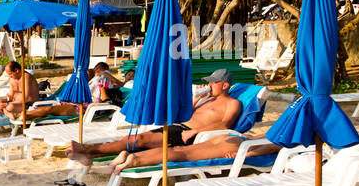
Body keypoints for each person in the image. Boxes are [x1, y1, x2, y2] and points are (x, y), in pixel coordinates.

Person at [68, 69, 242, 166]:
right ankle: (89, 152)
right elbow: (186, 112)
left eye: (214, 82)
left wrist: (195, 131)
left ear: (225, 85)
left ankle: (88, 150)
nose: (210, 84)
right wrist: (197, 98)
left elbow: (225, 124)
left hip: (191, 134)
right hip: (179, 127)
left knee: (136, 138)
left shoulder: (232, 104)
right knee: (135, 139)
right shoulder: (207, 99)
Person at [103, 131, 280, 174]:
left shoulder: (290, 121)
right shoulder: (301, 132)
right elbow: (274, 146)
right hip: (243, 146)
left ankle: (129, 154)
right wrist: (247, 155)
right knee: (184, 155)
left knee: (182, 149)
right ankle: (134, 160)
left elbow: (268, 137)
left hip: (236, 138)